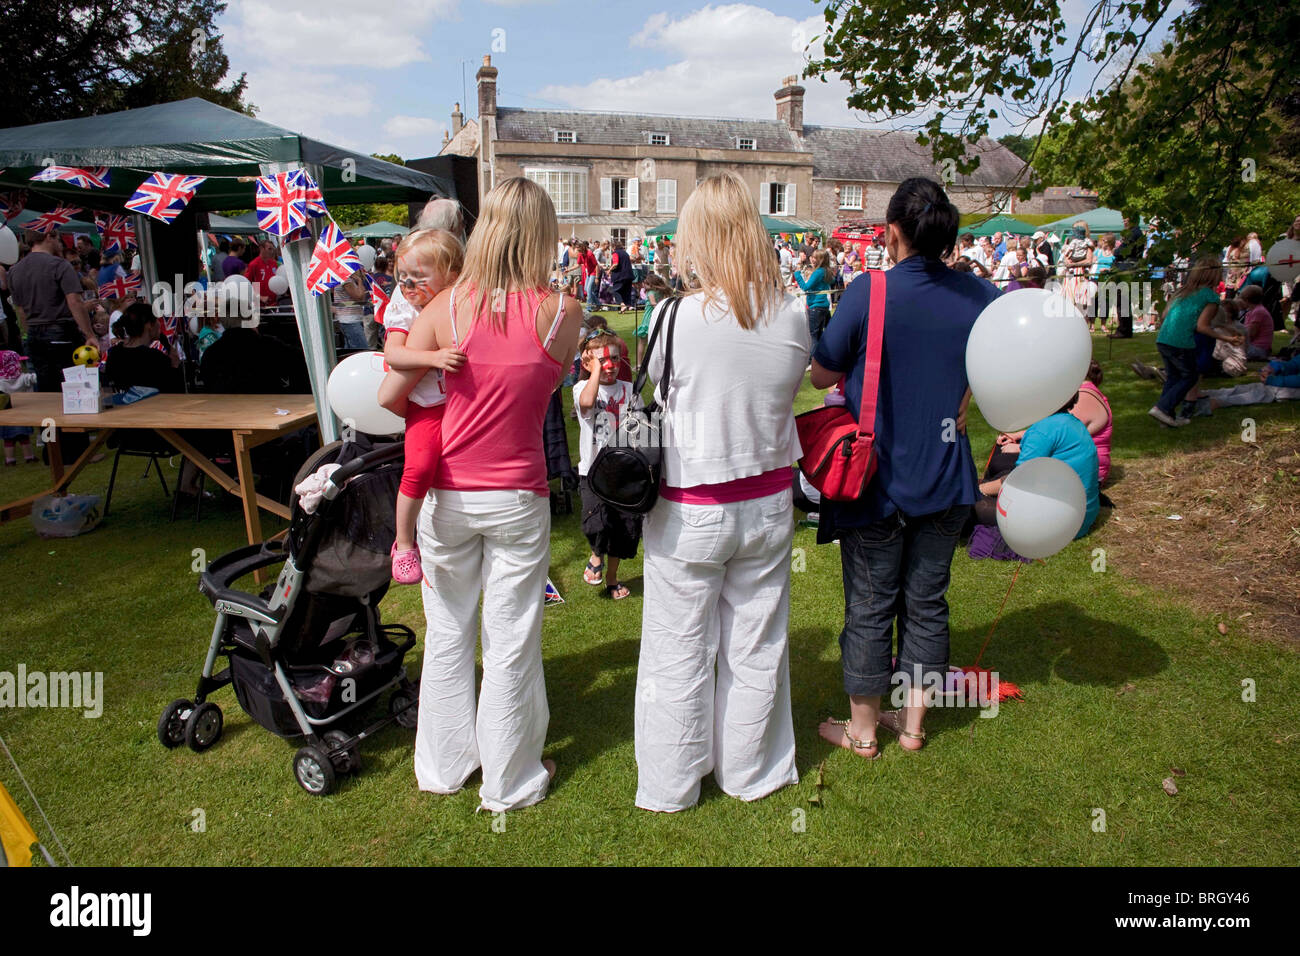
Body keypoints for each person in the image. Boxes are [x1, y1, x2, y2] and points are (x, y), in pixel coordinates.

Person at [402, 177, 584, 812]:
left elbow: (398, 368)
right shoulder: (563, 311)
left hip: (449, 493)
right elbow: (551, 377)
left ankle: (445, 765)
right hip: (513, 494)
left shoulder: (449, 305)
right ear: (542, 235)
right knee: (509, 638)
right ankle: (508, 779)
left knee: (448, 630)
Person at [634, 172, 808, 812]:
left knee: (677, 650)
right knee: (755, 646)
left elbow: (651, 392)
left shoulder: (675, 316)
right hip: (763, 501)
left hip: (693, 507)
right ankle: (749, 771)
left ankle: (672, 782)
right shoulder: (791, 311)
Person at [811, 177, 998, 758]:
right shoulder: (982, 296)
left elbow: (820, 374)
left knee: (869, 602)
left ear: (892, 231)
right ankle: (912, 725)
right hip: (946, 475)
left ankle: (863, 731)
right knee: (928, 601)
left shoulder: (871, 292)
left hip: (877, 478)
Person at [374, 229, 465, 584]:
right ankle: (404, 542)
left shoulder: (461, 297)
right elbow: (393, 353)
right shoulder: (404, 304)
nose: (409, 285)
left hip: (460, 400)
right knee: (420, 465)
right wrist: (434, 356)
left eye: (419, 277)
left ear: (452, 276)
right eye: (402, 277)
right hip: (426, 402)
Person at [7, 230, 100, 462]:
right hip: (61, 330)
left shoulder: (15, 270)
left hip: (35, 334)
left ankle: (52, 449)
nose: (60, 243)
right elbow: (74, 301)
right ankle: (77, 451)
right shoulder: (59, 265)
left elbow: (20, 311)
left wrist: (30, 333)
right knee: (74, 391)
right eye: (58, 239)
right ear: (49, 236)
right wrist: (89, 334)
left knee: (46, 396)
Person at [573, 330, 641, 600]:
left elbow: (643, 429)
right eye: (602, 361)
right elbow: (588, 404)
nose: (610, 365)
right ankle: (594, 555)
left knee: (622, 528)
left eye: (614, 358)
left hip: (624, 472)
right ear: (588, 364)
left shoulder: (629, 390)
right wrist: (595, 372)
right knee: (596, 523)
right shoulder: (583, 388)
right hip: (593, 470)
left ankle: (612, 578)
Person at [1150, 256, 1236, 427]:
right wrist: (1227, 338)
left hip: (1164, 339)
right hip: (1182, 342)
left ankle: (1165, 416)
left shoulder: (1182, 292)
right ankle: (1162, 408)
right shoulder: (1210, 297)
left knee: (1173, 377)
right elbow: (1202, 326)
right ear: (1215, 275)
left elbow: (1165, 315)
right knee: (1189, 376)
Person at [1072, 360, 1113, 484]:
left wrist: (1020, 436)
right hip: (1082, 467)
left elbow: (1057, 434)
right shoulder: (1086, 391)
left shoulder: (1084, 396)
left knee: (1013, 456)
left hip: (1086, 474)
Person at [0, 350, 37, 465]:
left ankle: (10, 460)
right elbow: (34, 378)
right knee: (24, 438)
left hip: (5, 417)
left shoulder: (1, 382)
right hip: (22, 414)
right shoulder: (23, 378)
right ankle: (29, 457)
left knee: (8, 440)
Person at [794, 248, 832, 356]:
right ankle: (821, 356)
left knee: (813, 335)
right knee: (819, 334)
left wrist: (797, 274)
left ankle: (812, 359)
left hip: (816, 306)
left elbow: (806, 287)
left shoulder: (819, 272)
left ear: (819, 260)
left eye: (814, 257)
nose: (811, 259)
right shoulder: (826, 270)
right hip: (823, 306)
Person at [1239, 285, 1274, 360]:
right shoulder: (1252, 311)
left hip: (1259, 349)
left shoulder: (1258, 312)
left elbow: (1251, 334)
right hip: (1254, 347)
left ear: (1247, 300)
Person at [244, 239, 280, 308]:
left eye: (272, 249)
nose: (272, 251)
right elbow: (245, 284)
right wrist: (260, 297)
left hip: (274, 304)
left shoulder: (274, 263)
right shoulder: (254, 264)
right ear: (261, 249)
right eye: (269, 249)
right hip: (259, 306)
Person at [607, 239, 635, 312]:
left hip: (620, 275)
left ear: (614, 246)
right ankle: (629, 306)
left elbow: (615, 264)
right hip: (629, 275)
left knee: (616, 291)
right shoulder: (625, 253)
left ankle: (622, 305)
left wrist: (609, 270)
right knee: (626, 291)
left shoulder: (615, 253)